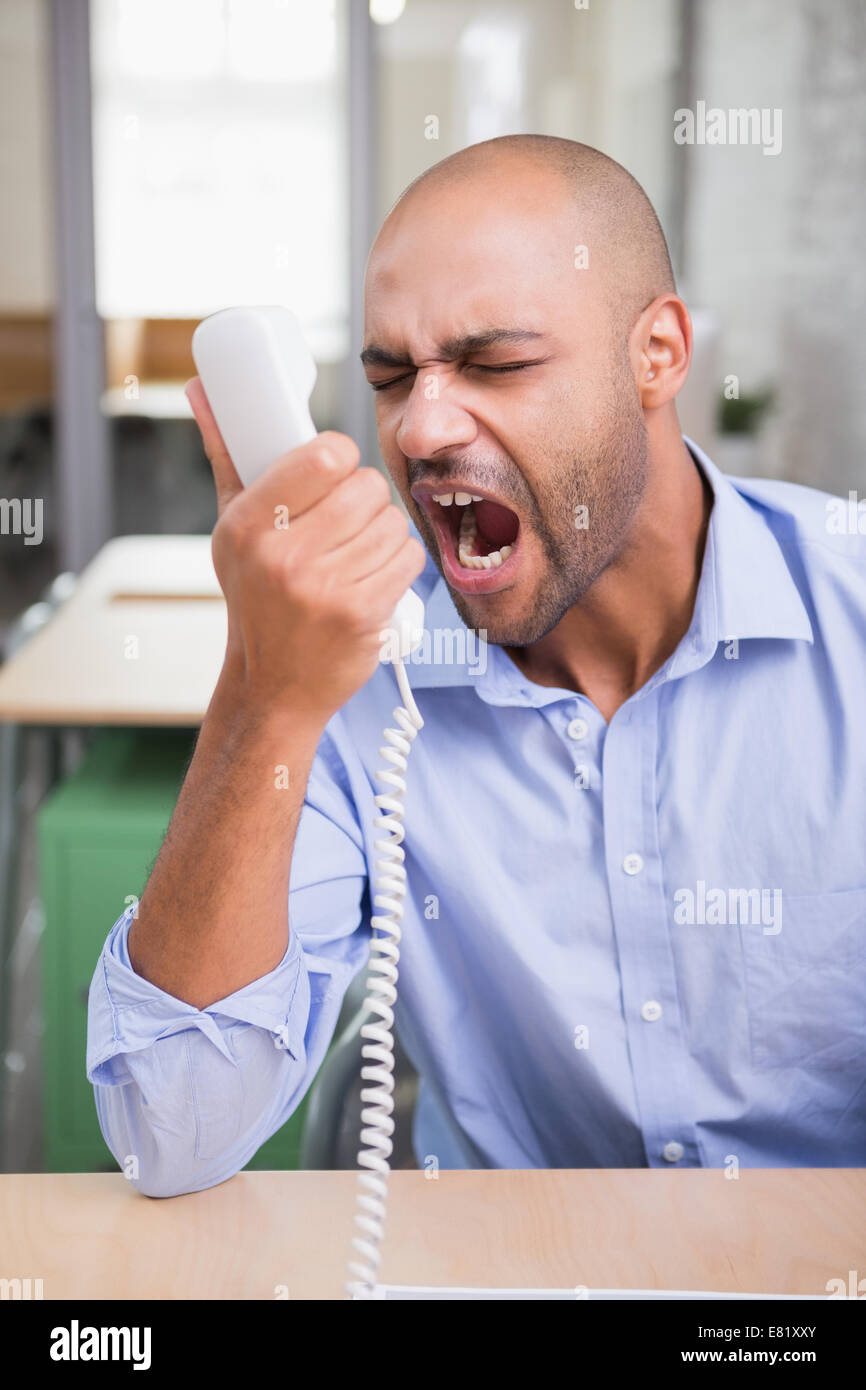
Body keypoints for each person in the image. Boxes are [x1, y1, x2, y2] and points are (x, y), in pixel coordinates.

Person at [87, 135, 866, 1196]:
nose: (421, 425)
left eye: (497, 363)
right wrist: (260, 693)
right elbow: (165, 1132)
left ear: (658, 355)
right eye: (390, 376)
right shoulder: (353, 670)